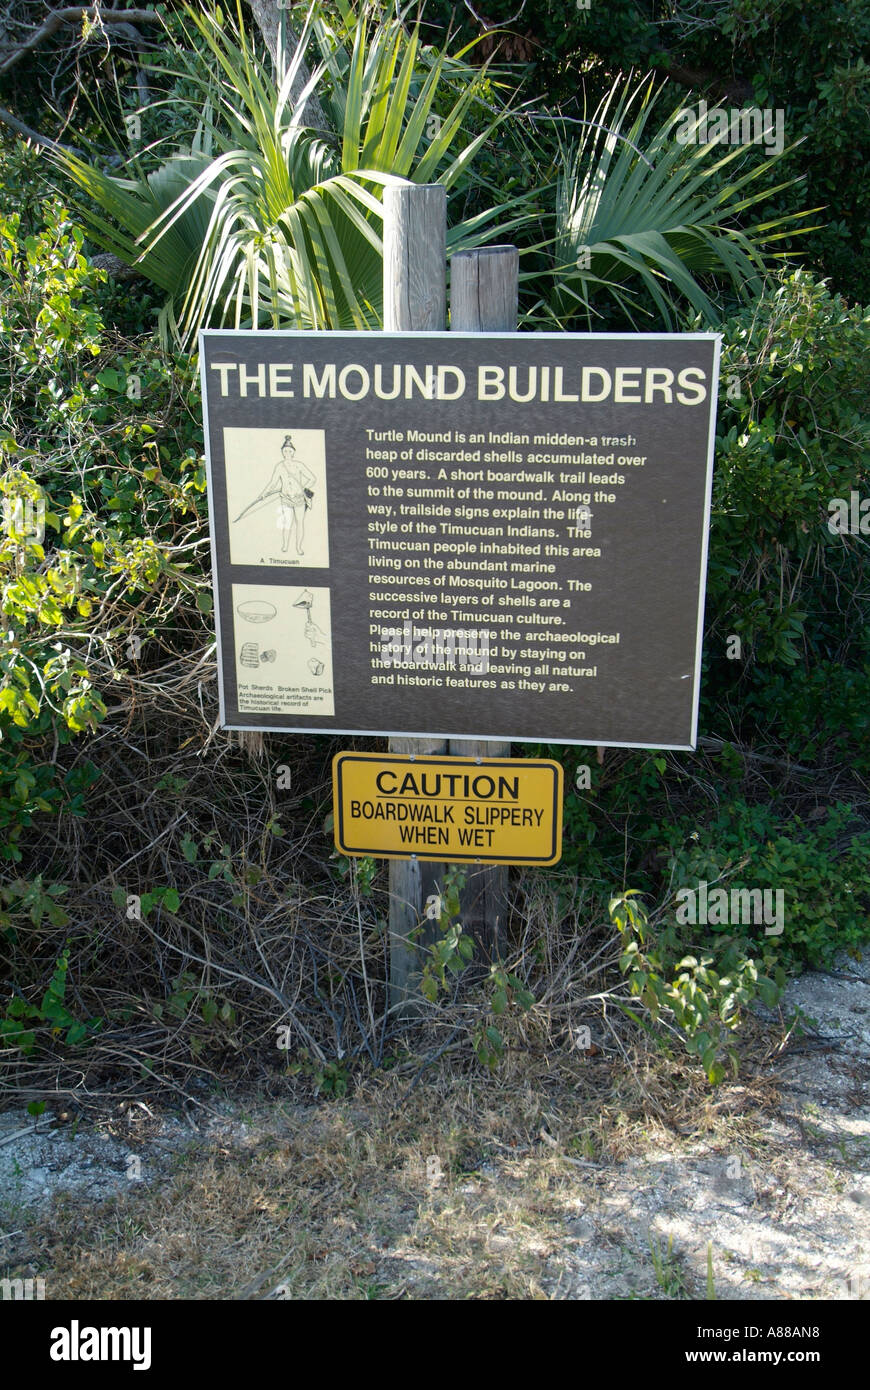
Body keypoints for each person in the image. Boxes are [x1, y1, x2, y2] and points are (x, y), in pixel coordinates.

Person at [243, 435, 315, 555]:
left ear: (293, 452)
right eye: (285, 450)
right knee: (287, 523)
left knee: (300, 522)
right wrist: (263, 494)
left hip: (299, 499)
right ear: (282, 452)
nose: (287, 452)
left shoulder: (299, 465)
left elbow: (312, 478)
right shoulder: (280, 466)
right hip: (286, 498)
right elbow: (272, 483)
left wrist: (302, 488)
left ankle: (298, 548)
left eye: (289, 451)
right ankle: (285, 545)